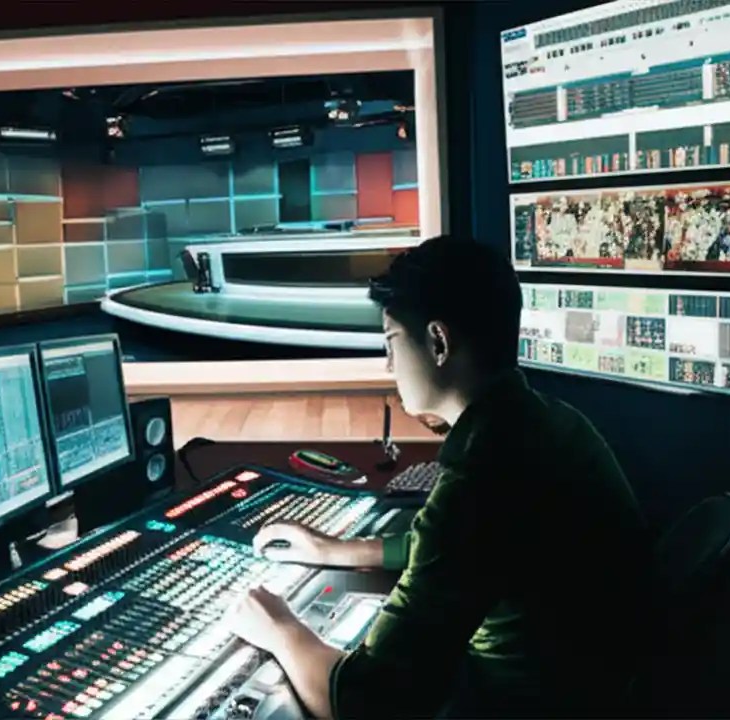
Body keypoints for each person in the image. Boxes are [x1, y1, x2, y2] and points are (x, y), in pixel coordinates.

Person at [225, 236, 654, 718]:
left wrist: (281, 629)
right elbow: (462, 549)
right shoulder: (546, 422)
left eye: (391, 343)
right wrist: (335, 551)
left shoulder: (483, 473)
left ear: (438, 342)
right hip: (591, 683)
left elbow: (371, 702)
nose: (388, 365)